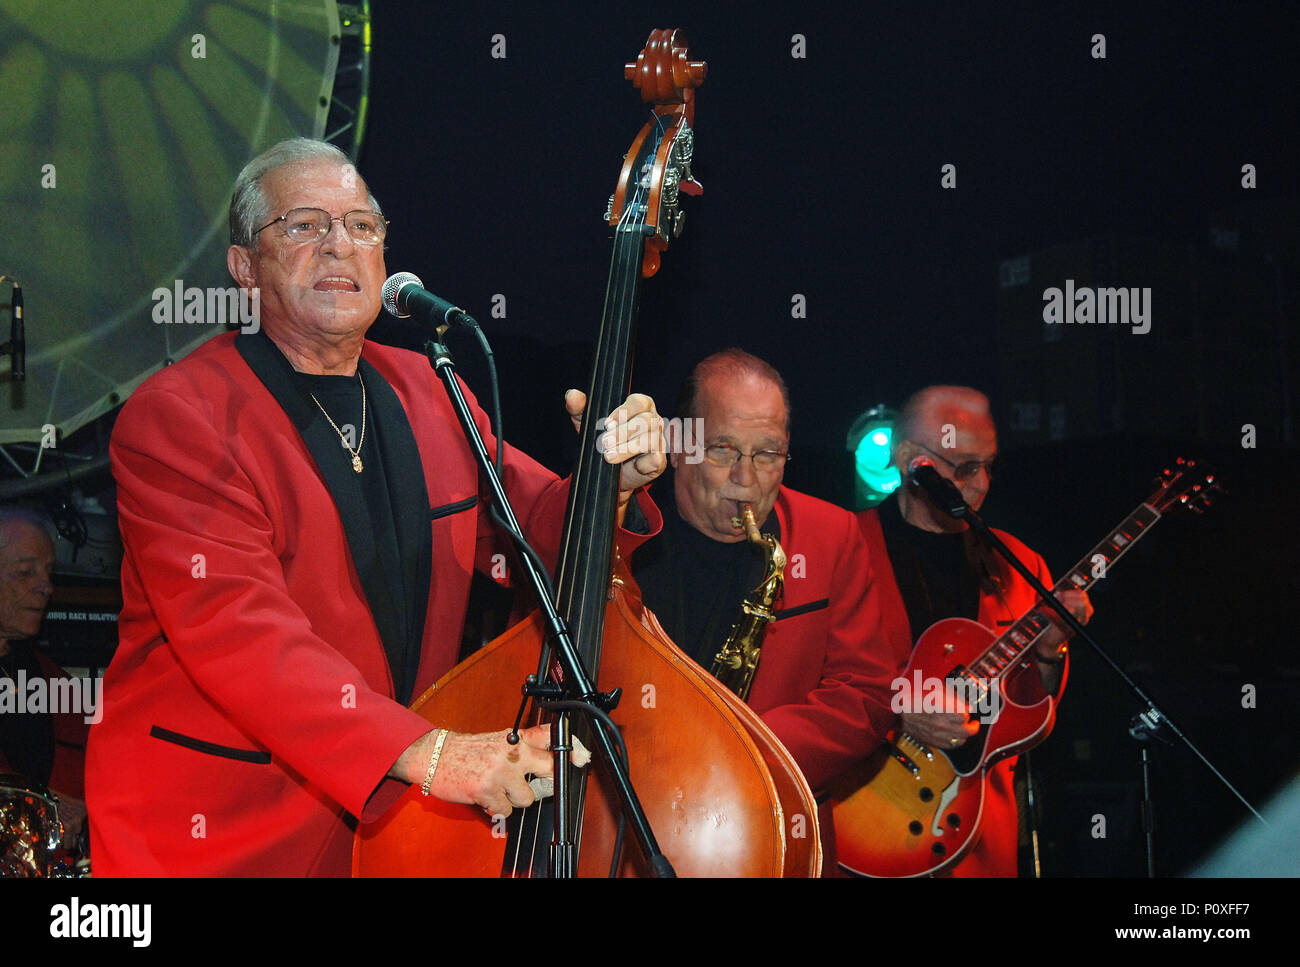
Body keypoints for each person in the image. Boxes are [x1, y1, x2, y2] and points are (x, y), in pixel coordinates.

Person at [85, 138, 666, 876]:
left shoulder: (431, 386)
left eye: (362, 226)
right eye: (303, 225)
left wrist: (608, 482)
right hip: (215, 829)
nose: (340, 245)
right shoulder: (178, 416)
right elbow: (241, 631)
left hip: (389, 826)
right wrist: (430, 753)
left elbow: (536, 528)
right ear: (242, 267)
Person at [629, 349, 898, 869]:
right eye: (723, 450)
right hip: (627, 827)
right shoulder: (622, 528)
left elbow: (867, 693)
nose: (747, 481)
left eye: (768, 454)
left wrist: (741, 753)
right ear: (678, 445)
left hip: (769, 836)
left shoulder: (831, 535)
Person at [854, 385, 1092, 876]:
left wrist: (1050, 654)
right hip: (864, 818)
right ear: (907, 460)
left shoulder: (1021, 565)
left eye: (988, 465)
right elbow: (804, 676)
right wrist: (896, 711)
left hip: (980, 840)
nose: (980, 484)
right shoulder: (844, 547)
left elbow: (1032, 714)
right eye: (962, 466)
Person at [0, 506, 89, 870]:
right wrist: (36, 804)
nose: (46, 586)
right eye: (26, 572)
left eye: (48, 572)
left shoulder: (48, 676)